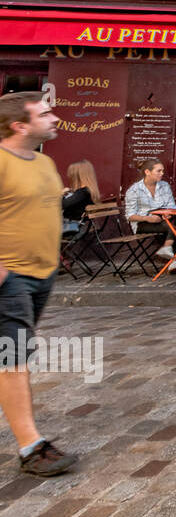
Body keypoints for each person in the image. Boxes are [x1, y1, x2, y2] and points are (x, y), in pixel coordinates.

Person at [0, 91, 78, 476]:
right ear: (20, 125)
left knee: (12, 355)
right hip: (8, 275)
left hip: (42, 273)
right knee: (13, 357)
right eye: (45, 114)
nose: (55, 118)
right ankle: (32, 448)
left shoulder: (46, 162)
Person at [124, 158, 176, 270]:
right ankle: (172, 258)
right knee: (171, 227)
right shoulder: (134, 190)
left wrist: (168, 213)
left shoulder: (164, 186)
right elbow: (129, 216)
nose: (162, 173)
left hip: (163, 219)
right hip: (143, 223)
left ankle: (169, 251)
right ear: (147, 172)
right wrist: (148, 218)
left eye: (162, 171)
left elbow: (171, 206)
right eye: (159, 171)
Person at [61, 159, 100, 235]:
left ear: (78, 175)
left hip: (69, 228)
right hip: (76, 226)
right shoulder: (88, 191)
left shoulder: (83, 192)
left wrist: (60, 194)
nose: (69, 175)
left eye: (71, 173)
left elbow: (61, 205)